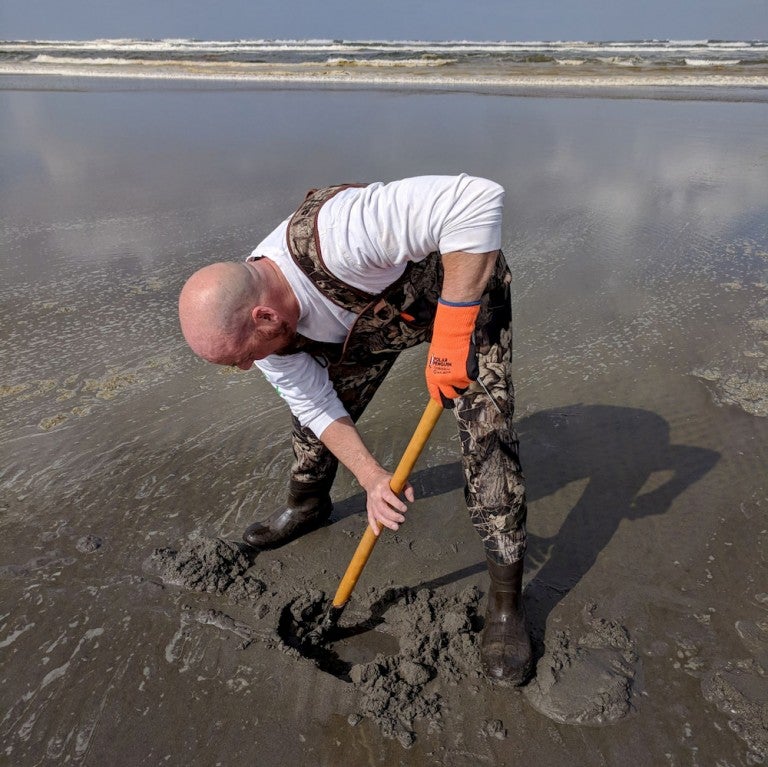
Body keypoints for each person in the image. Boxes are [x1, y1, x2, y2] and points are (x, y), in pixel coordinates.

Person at [178, 175, 532, 685]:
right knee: (312, 428)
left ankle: (505, 603)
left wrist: (452, 337)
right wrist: (370, 477)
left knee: (488, 437)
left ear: (262, 315)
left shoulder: (342, 235)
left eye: (242, 358)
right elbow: (316, 404)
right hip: (368, 331)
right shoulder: (259, 331)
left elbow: (475, 200)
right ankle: (308, 505)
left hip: (462, 294)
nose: (245, 370)